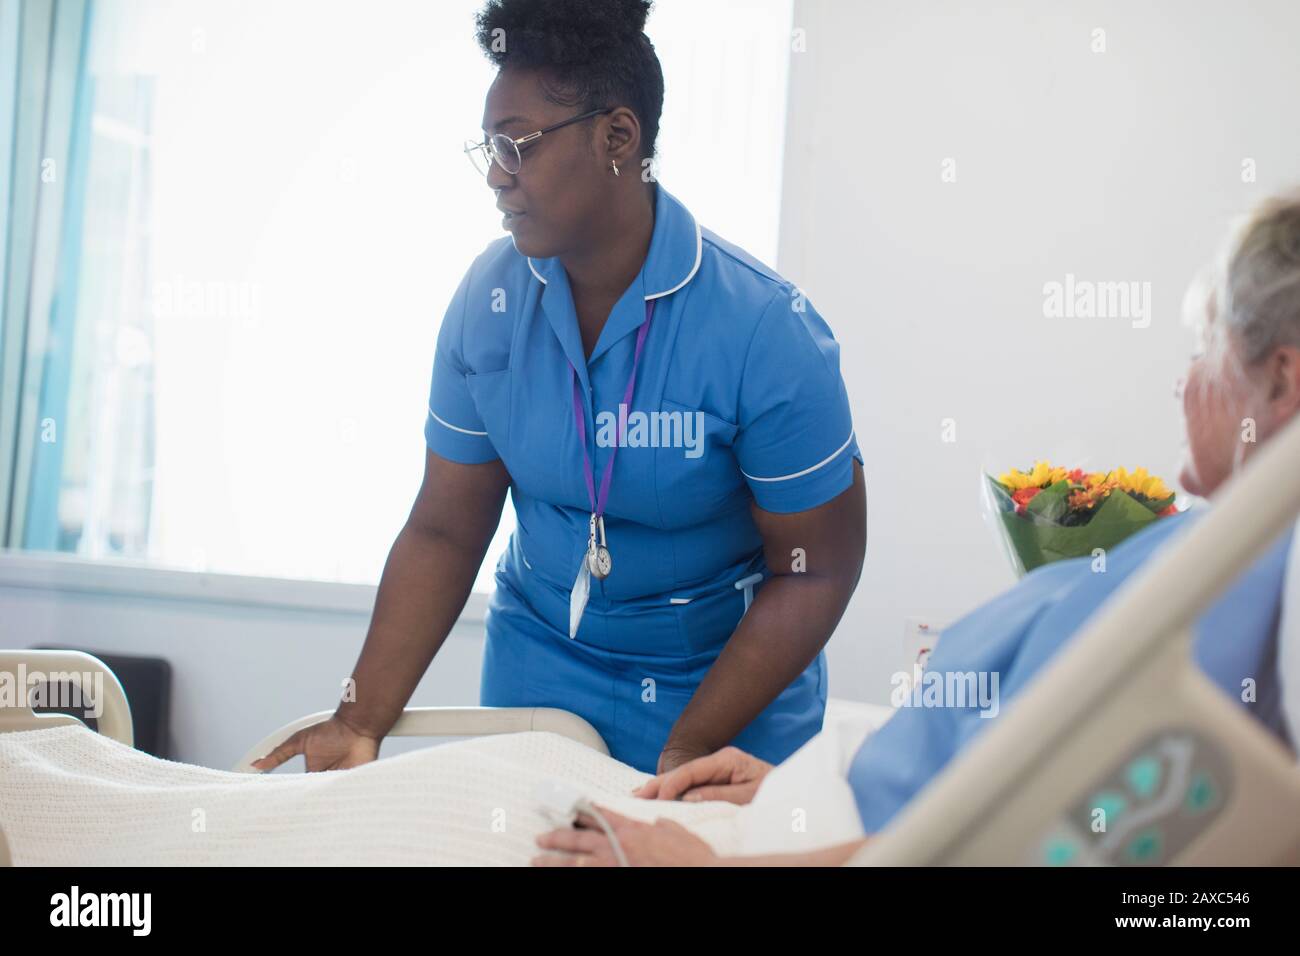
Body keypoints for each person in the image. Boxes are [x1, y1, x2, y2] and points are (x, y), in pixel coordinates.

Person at [533, 191, 1300, 865]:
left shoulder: (1252, 583)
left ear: (1282, 379)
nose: (1182, 380)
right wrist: (797, 791)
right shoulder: (1220, 550)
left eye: (1206, 350)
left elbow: (1013, 842)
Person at [253, 0, 866, 776]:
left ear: (618, 138)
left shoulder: (765, 331)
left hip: (723, 683)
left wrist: (690, 746)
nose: (496, 177)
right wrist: (358, 718)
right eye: (488, 147)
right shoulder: (491, 302)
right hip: (542, 663)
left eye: (516, 146)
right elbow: (445, 528)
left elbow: (819, 568)